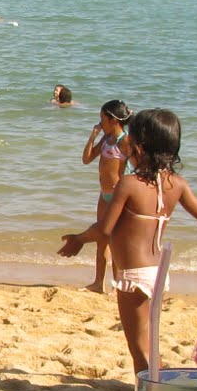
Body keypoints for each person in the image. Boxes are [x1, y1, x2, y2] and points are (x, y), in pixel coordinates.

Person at [58, 109, 197, 376]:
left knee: (138, 348)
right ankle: (157, 381)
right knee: (150, 340)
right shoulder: (176, 183)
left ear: (138, 147)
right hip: (158, 273)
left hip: (133, 275)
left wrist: (78, 239)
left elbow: (104, 229)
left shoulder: (128, 184)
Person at [80, 99, 133, 294]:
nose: (99, 123)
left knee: (116, 242)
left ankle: (118, 285)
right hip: (104, 196)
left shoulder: (125, 141)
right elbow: (86, 159)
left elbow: (139, 164)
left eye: (102, 119)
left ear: (113, 120)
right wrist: (93, 136)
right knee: (101, 239)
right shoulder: (106, 139)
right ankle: (98, 283)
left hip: (118, 199)